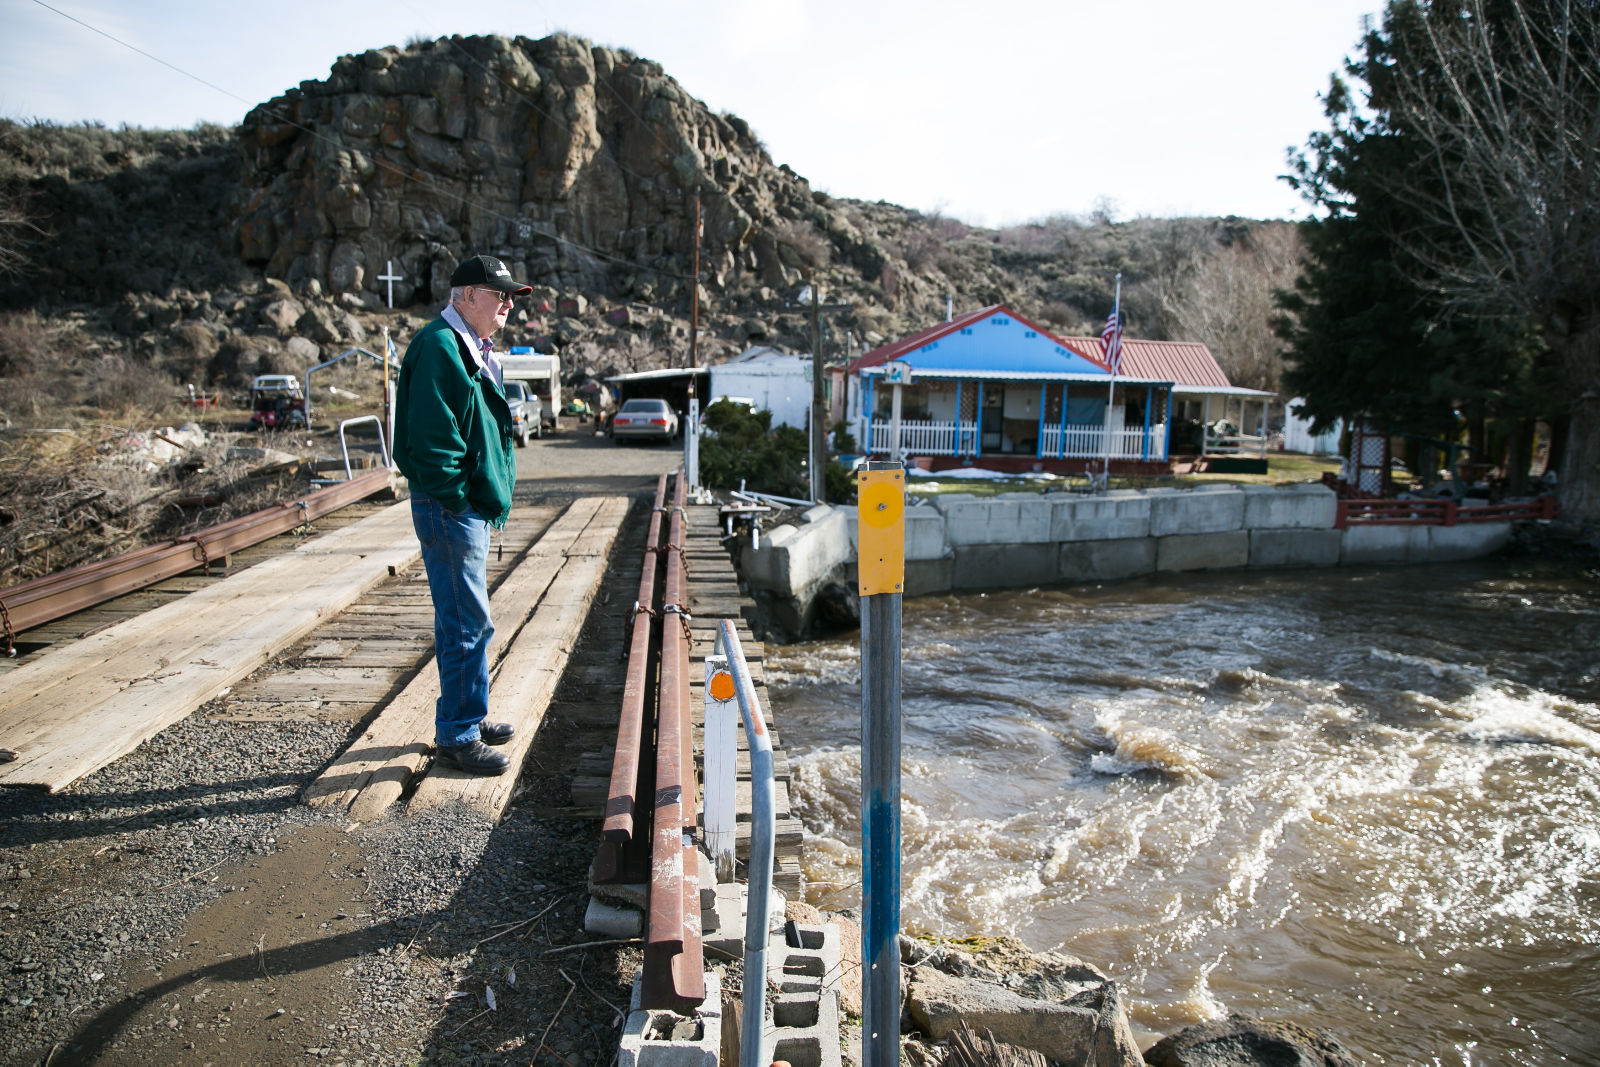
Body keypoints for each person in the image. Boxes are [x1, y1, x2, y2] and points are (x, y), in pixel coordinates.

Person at [393, 254, 531, 775]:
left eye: (512, 297)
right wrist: (460, 498)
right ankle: (457, 733)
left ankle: (469, 713)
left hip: (462, 507)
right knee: (466, 621)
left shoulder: (467, 345)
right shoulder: (439, 346)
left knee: (467, 619)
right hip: (450, 508)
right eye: (500, 295)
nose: (508, 305)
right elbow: (430, 441)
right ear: (467, 296)